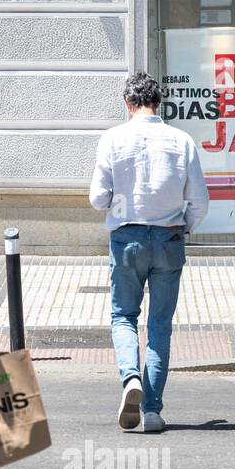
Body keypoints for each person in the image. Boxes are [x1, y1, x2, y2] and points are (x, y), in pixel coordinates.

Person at [88, 71, 209, 434]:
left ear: (127, 102)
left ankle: (130, 380)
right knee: (160, 327)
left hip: (127, 239)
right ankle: (153, 411)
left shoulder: (112, 139)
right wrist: (182, 227)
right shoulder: (181, 140)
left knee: (124, 316)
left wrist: (118, 201)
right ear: (160, 102)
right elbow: (199, 201)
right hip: (169, 239)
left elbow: (97, 198)